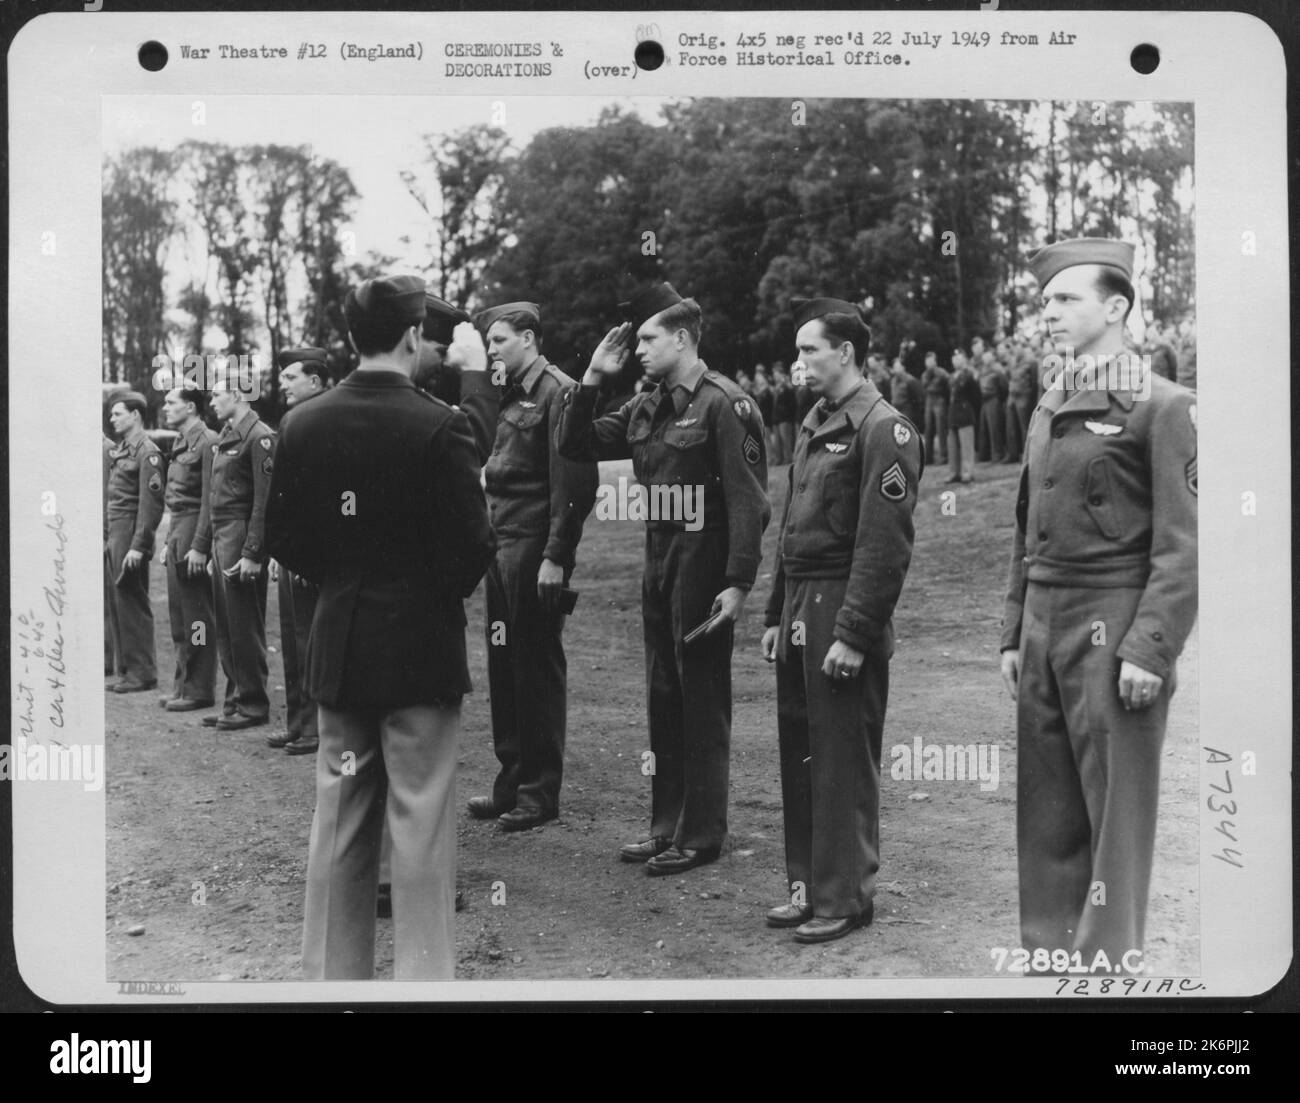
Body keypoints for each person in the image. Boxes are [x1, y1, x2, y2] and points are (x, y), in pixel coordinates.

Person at [266, 274, 494, 980]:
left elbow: (285, 536)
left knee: (338, 821)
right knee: (420, 828)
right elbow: (472, 546)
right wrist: (425, 592)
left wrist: (343, 582)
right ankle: (423, 987)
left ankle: (332, 984)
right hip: (419, 650)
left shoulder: (304, 422)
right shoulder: (440, 422)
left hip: (339, 644)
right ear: (407, 335)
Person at [999, 238, 1198, 972]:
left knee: (1115, 812)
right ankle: (1050, 957)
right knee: (1048, 803)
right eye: (1045, 300)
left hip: (1114, 624)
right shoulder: (1051, 400)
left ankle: (1106, 970)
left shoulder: (1165, 406)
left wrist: (1150, 646)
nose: (1047, 312)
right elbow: (1026, 524)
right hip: (1046, 619)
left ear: (1116, 308)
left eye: (1065, 299)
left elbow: (1183, 545)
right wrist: (1014, 630)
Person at [558, 281, 770, 875]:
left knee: (700, 695)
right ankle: (667, 823)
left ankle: (701, 834)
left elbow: (750, 502)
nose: (640, 350)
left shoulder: (726, 403)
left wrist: (738, 581)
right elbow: (575, 444)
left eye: (649, 338)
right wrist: (594, 376)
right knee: (663, 694)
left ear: (682, 338)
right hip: (659, 557)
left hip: (703, 562)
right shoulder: (646, 402)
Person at [760, 298, 922, 943]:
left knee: (840, 759)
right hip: (802, 601)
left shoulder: (884, 429)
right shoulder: (815, 422)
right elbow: (792, 528)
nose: (798, 362)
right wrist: (776, 613)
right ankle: (808, 887)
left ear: (846, 353)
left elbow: (884, 547)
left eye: (809, 350)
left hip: (841, 606)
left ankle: (846, 897)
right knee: (802, 752)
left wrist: (854, 635)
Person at [467, 301, 599, 830]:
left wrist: (556, 557)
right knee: (504, 666)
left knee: (535, 668)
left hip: (532, 549)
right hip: (500, 545)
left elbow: (574, 485)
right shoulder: (509, 395)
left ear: (529, 338)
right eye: (489, 343)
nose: (492, 350)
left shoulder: (559, 393)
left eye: (499, 340)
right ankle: (511, 781)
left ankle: (539, 792)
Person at [265, 348, 329, 755]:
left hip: (313, 554)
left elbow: (328, 496)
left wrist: (312, 551)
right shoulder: (294, 420)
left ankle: (316, 727)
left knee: (311, 639)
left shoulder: (328, 420)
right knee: (292, 638)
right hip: (294, 552)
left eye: (291, 377)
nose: (282, 384)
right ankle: (298, 721)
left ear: (316, 381)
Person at [203, 376, 276, 730]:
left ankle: (253, 703)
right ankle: (235, 699)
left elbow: (263, 502)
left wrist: (253, 552)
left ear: (236, 395)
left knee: (244, 622)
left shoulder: (259, 436)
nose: (212, 401)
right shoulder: (228, 437)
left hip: (240, 535)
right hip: (223, 535)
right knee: (227, 623)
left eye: (217, 395)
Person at [158, 385, 218, 711]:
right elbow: (175, 499)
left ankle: (199, 688)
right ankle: (182, 685)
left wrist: (199, 545)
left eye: (171, 402)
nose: (165, 408)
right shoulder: (182, 441)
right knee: (180, 616)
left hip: (196, 529)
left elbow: (209, 499)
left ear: (191, 407)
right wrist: (170, 541)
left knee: (197, 617)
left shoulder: (207, 442)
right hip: (179, 529)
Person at [105, 392, 165, 693]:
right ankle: (129, 669)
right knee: (121, 599)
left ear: (136, 415)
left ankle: (143, 673)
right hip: (117, 529)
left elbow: (150, 504)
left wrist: (138, 546)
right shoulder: (123, 449)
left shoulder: (147, 452)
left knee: (133, 598)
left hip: (130, 530)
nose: (113, 419)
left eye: (118, 414)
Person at [945, 348, 980, 484]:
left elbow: (976, 396)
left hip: (965, 413)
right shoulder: (952, 376)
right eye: (954, 359)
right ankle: (954, 473)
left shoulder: (970, 375)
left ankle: (967, 473)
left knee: (966, 445)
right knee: (952, 445)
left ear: (964, 359)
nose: (955, 361)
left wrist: (970, 409)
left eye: (958, 358)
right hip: (953, 413)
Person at [920, 349, 949, 465]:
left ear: (935, 361)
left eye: (931, 360)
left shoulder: (942, 372)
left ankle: (943, 456)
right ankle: (928, 457)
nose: (929, 363)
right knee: (928, 429)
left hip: (939, 400)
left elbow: (948, 385)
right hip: (929, 401)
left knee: (940, 429)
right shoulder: (924, 374)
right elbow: (924, 387)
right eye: (927, 360)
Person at [889, 355, 925, 434]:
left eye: (898, 367)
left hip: (907, 412)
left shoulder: (910, 380)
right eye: (895, 367)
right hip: (895, 412)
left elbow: (918, 399)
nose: (896, 370)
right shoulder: (893, 380)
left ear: (903, 368)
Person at [771, 362, 797, 465]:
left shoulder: (787, 385)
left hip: (785, 417)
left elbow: (791, 399)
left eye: (776, 374)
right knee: (778, 441)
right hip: (777, 417)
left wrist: (785, 384)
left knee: (786, 439)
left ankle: (788, 458)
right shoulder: (776, 387)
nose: (774, 376)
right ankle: (780, 459)